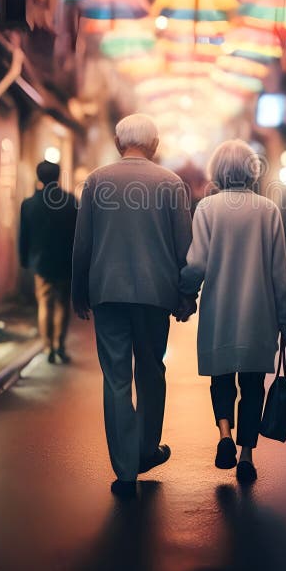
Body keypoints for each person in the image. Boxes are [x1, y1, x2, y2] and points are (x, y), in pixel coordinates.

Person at [71, 114, 194, 497]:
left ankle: (125, 470)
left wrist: (79, 291)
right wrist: (187, 294)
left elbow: (83, 244)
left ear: (117, 141)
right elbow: (185, 247)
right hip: (156, 295)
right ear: (154, 144)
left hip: (107, 292)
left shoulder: (96, 181)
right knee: (151, 371)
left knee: (116, 377)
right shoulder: (172, 184)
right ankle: (145, 449)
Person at [178, 139, 286, 484]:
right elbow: (279, 273)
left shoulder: (207, 209)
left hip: (220, 308)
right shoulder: (268, 210)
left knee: (222, 378)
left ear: (218, 171)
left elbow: (196, 263)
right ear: (251, 169)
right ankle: (246, 455)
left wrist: (183, 291)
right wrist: (284, 319)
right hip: (259, 313)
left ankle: (225, 436)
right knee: (253, 383)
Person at [19, 160, 77, 364]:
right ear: (58, 176)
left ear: (38, 177)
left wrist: (24, 259)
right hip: (65, 261)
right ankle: (60, 346)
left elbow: (24, 236)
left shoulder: (29, 204)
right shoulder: (70, 201)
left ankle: (47, 347)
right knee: (63, 304)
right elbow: (77, 235)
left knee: (45, 303)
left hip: (41, 262)